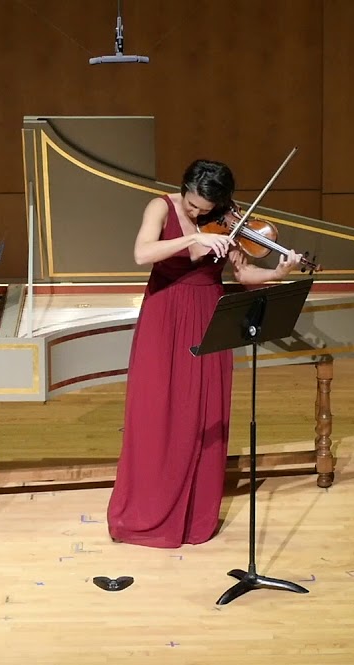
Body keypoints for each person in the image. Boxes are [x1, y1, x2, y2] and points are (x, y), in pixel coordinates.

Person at [106, 159, 302, 548]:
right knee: (157, 410)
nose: (195, 212)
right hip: (164, 315)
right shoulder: (160, 206)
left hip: (207, 315)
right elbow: (142, 253)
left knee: (202, 412)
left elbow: (244, 276)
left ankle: (195, 516)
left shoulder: (230, 219)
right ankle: (146, 511)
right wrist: (191, 238)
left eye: (203, 209)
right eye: (192, 205)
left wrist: (279, 274)